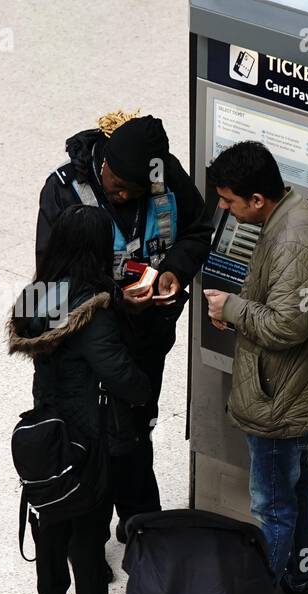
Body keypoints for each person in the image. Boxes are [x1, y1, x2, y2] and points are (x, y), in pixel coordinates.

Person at [36, 111, 212, 544]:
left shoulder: (164, 175)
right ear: (105, 164)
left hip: (148, 333)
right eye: (116, 186)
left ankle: (139, 529)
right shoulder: (63, 191)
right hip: (90, 340)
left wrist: (173, 271)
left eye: (133, 192)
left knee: (136, 426)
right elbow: (51, 281)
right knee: (93, 435)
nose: (122, 196)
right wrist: (115, 298)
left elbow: (199, 228)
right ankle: (90, 538)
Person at [203, 141, 308, 594]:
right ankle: (302, 587)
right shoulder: (287, 218)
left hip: (279, 397)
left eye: (228, 201)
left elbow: (290, 325)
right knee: (297, 489)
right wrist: (242, 313)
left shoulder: (293, 240)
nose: (223, 208)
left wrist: (234, 309)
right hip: (289, 387)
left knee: (273, 505)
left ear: (257, 200)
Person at [9, 205, 151, 594]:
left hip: (44, 427)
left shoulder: (38, 295)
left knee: (50, 517)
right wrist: (143, 390)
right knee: (88, 528)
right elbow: (119, 373)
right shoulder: (91, 309)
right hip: (86, 433)